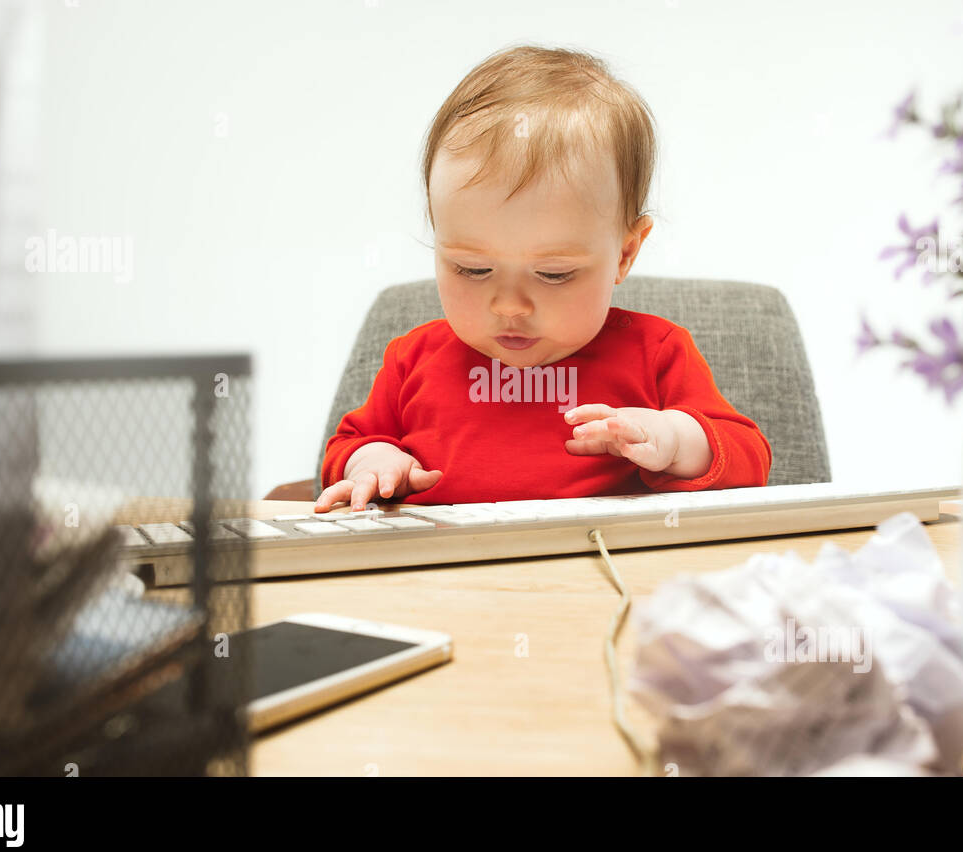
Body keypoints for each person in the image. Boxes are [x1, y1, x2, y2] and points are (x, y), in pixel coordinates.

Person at [317, 45, 771, 511]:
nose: (510, 305)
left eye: (554, 274)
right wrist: (373, 461)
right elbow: (347, 447)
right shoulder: (412, 361)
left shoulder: (656, 354)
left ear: (625, 253)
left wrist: (674, 439)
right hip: (443, 578)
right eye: (472, 268)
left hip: (602, 571)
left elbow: (749, 457)